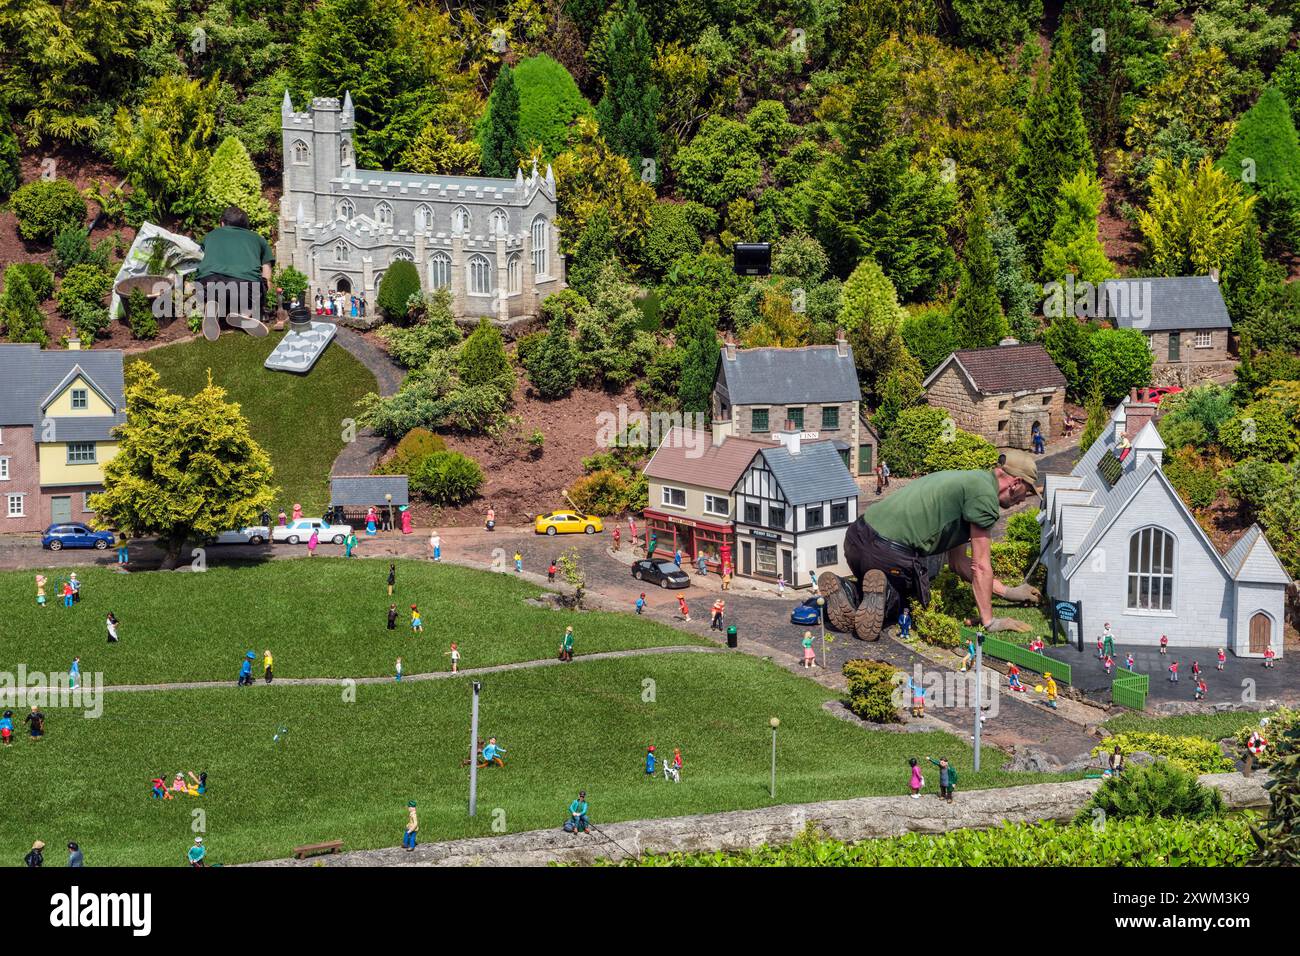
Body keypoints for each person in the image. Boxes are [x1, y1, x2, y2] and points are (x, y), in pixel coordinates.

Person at [818, 449, 1042, 641]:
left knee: (875, 584)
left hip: (856, 538)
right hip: (889, 553)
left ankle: (847, 590)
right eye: (1028, 491)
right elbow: (981, 566)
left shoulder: (970, 481)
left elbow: (959, 563)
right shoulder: (985, 499)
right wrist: (990, 621)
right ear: (1016, 483)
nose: (1025, 499)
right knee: (907, 603)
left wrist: (1008, 592)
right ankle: (884, 598)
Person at [193, 206, 273, 341]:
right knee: (254, 291)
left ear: (222, 223)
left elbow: (199, 258)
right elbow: (267, 267)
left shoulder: (211, 235)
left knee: (211, 291)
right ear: (246, 225)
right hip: (245, 285)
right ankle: (244, 314)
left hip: (210, 281)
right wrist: (265, 289)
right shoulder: (258, 238)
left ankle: (211, 306)